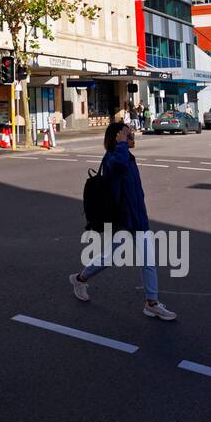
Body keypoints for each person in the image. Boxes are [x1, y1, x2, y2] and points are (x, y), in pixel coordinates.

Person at [70, 121, 177, 321]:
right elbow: (116, 169)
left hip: (138, 218)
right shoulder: (113, 157)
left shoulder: (126, 156)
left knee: (148, 261)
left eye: (132, 135)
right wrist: (120, 145)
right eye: (128, 135)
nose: (132, 138)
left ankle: (151, 303)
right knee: (109, 257)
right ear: (117, 137)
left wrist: (143, 216)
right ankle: (80, 279)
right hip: (122, 220)